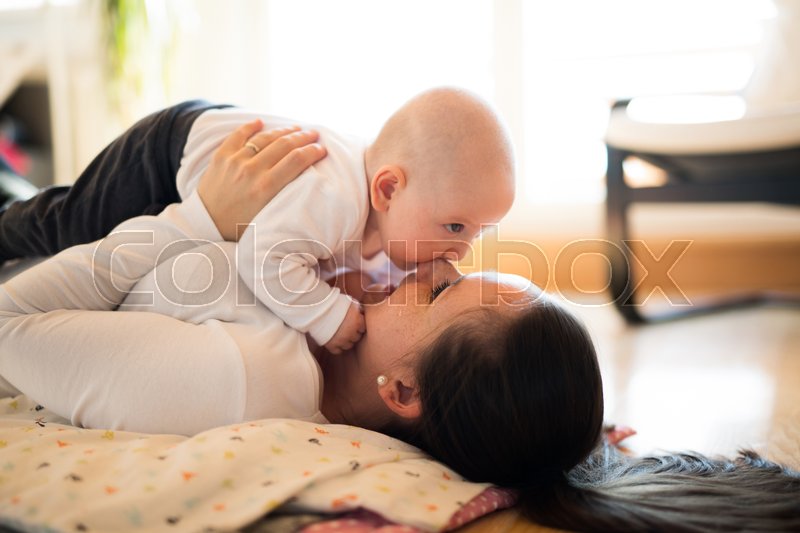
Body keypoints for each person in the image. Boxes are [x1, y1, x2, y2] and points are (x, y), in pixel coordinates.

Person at [1, 111, 798, 532]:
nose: (419, 268)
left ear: (405, 389)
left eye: (437, 290)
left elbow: (11, 320)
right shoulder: (343, 317)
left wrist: (202, 217)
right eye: (452, 260)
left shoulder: (234, 376)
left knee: (29, 215)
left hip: (68, 241)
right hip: (163, 177)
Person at [0, 88, 515, 355]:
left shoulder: (387, 215)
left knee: (102, 231)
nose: (462, 249)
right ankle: (8, 221)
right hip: (166, 151)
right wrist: (325, 313)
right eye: (455, 227)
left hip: (218, 138)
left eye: (478, 232)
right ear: (387, 188)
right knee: (71, 228)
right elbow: (261, 256)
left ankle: (12, 188)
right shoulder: (333, 201)